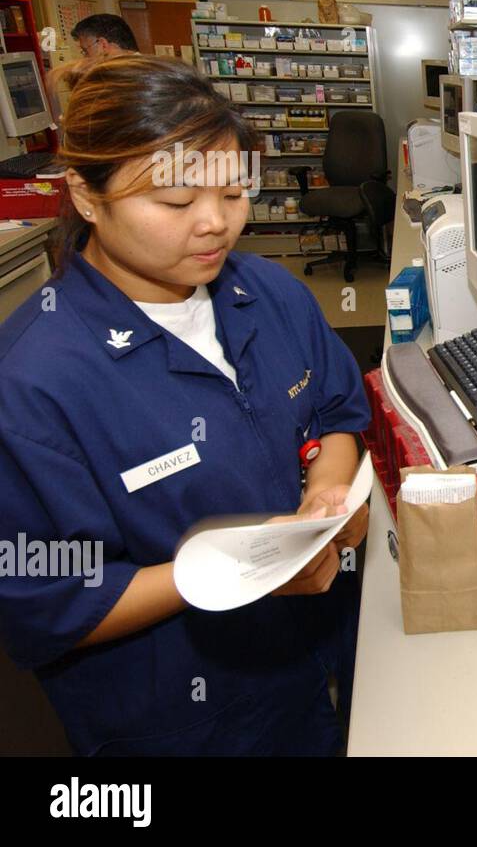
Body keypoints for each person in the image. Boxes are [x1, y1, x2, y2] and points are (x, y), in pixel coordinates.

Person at [0, 54, 370, 755]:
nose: (215, 226)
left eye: (234, 195)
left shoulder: (267, 290)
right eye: (176, 203)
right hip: (192, 716)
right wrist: (240, 569)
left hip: (323, 653)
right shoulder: (31, 385)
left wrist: (324, 498)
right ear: (85, 196)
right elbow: (46, 603)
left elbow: (333, 412)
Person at [72, 13, 138, 58]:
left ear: (103, 44)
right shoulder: (141, 67)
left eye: (85, 51)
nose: (85, 57)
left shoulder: (124, 75)